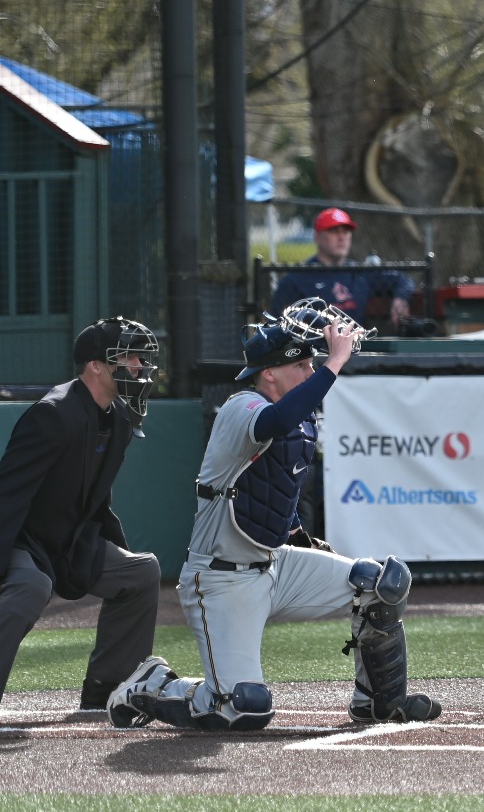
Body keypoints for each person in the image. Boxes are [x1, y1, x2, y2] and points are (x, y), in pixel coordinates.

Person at [110, 301, 442, 731]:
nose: (310, 371)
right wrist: (335, 363)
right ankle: (155, 685)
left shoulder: (300, 420)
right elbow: (277, 420)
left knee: (380, 585)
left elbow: (272, 488)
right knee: (243, 708)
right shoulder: (241, 407)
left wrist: (296, 533)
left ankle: (380, 702)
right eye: (300, 365)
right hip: (222, 579)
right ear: (268, 372)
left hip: (275, 565)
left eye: (312, 364)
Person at [0, 318, 172, 710]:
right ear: (95, 365)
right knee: (31, 586)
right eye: (127, 357)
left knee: (141, 572)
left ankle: (105, 691)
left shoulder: (120, 417)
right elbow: (8, 492)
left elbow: (94, 497)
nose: (138, 366)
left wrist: (111, 547)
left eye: (140, 358)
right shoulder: (53, 413)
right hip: (25, 540)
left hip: (71, 542)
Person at [268, 207, 417, 332]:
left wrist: (400, 298)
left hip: (355, 348)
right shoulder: (298, 279)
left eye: (345, 232)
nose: (341, 237)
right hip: (314, 351)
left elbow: (404, 280)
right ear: (317, 237)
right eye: (334, 231)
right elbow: (277, 323)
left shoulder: (360, 273)